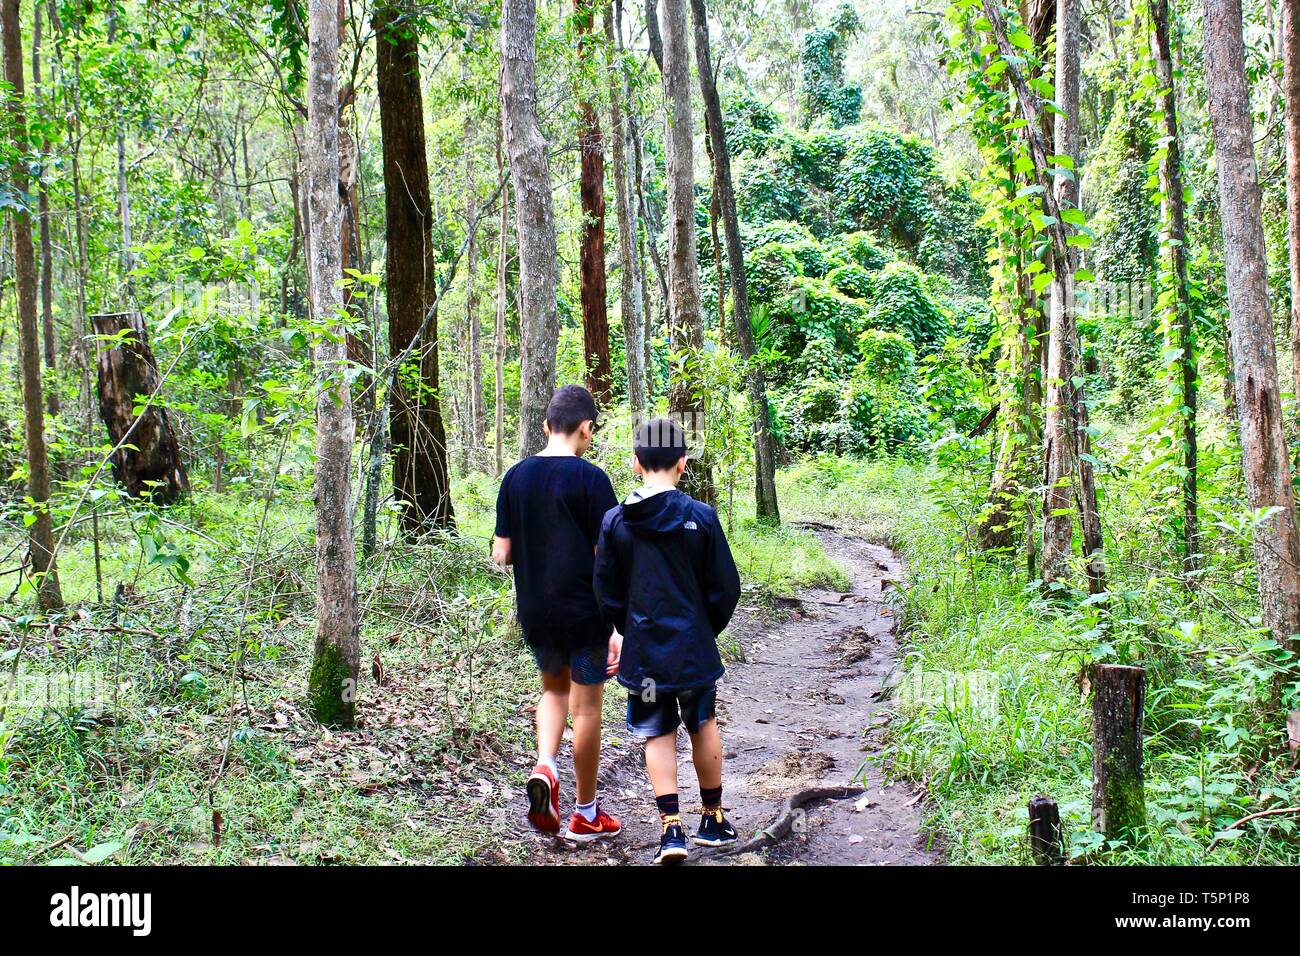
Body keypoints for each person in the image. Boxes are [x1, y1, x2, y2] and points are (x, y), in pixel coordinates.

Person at [594, 418, 742, 864]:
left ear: (637, 463)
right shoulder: (701, 517)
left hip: (647, 658)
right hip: (693, 654)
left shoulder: (616, 521)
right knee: (702, 723)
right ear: (682, 463)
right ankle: (713, 819)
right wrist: (702, 628)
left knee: (656, 731)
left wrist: (625, 630)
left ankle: (671, 829)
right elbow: (725, 588)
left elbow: (607, 590)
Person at [492, 385, 622, 842]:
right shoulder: (592, 481)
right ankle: (586, 813)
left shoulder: (515, 477)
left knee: (552, 690)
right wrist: (617, 626)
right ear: (586, 429)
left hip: (536, 610)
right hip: (585, 612)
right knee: (585, 709)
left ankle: (545, 766)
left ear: (546, 426)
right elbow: (606, 559)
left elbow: (501, 554)